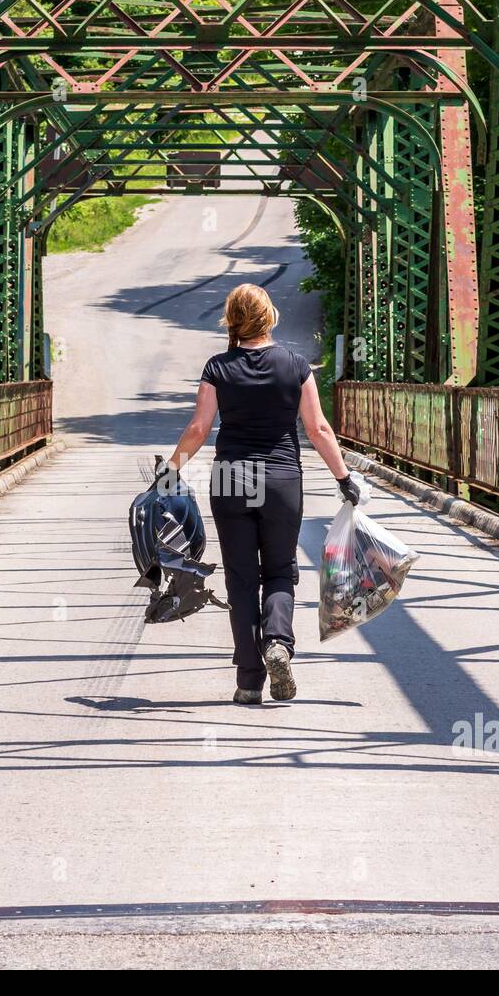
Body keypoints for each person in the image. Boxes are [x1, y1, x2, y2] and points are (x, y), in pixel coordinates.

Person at [166, 283, 361, 704]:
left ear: (231, 319)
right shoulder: (295, 366)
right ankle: (278, 643)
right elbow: (318, 429)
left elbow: (200, 428)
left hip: (234, 476)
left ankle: (249, 682)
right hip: (281, 478)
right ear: (269, 317)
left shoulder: (217, 367)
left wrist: (170, 472)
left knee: (241, 578)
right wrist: (344, 478)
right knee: (279, 571)